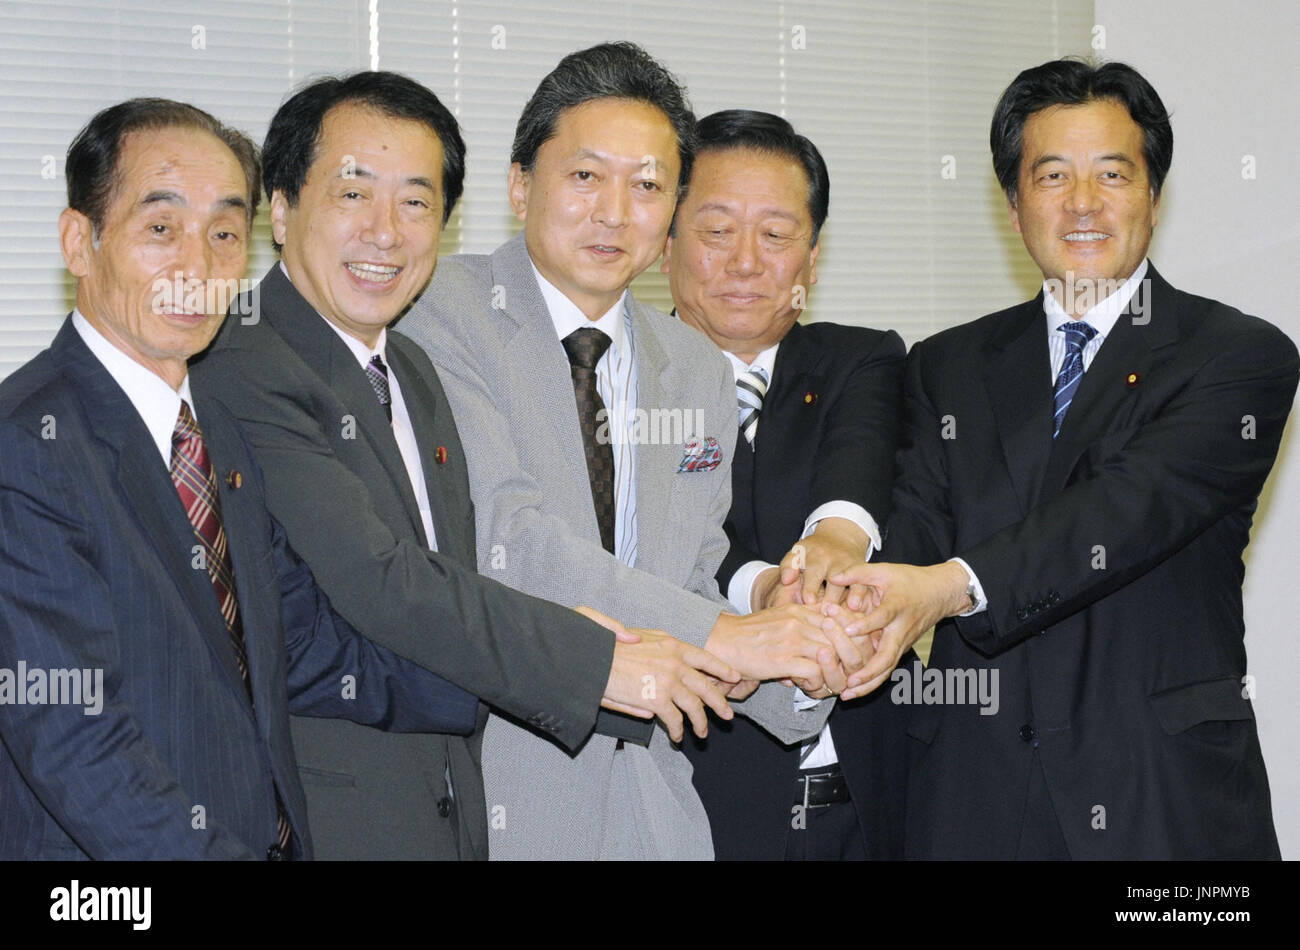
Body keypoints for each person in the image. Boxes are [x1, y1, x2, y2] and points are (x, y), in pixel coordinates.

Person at [191, 71, 737, 860]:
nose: (386, 231)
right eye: (353, 195)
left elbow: (462, 575)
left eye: (415, 202)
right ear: (281, 208)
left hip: (454, 816)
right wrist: (594, 662)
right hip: (327, 820)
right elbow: (382, 587)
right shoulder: (239, 360)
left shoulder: (407, 368)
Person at [400, 43, 866, 860]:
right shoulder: (441, 308)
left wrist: (805, 665)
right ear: (520, 184)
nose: (616, 211)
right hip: (497, 792)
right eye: (586, 176)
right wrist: (729, 639)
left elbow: (684, 577)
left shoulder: (690, 366)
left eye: (648, 185)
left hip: (656, 808)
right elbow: (509, 539)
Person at [832, 59, 1298, 859]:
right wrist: (840, 594)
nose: (1083, 204)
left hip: (1160, 796)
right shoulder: (949, 363)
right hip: (968, 794)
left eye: (1112, 174)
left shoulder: (1239, 355)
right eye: (1052, 176)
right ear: (1014, 205)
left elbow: (1127, 507)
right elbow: (915, 520)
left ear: (1154, 194)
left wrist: (944, 587)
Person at [0, 99, 487, 860]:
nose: (198, 265)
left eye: (225, 234)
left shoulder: (214, 431)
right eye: (161, 228)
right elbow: (77, 741)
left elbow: (304, 650)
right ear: (79, 241)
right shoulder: (24, 448)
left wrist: (550, 674)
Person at [665, 109, 910, 860]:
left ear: (811, 258)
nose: (745, 262)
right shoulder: (621, 385)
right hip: (697, 799)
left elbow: (860, 466)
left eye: (775, 235)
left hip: (869, 800)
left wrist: (833, 543)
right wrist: (764, 589)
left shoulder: (862, 361)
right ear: (665, 240)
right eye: (716, 231)